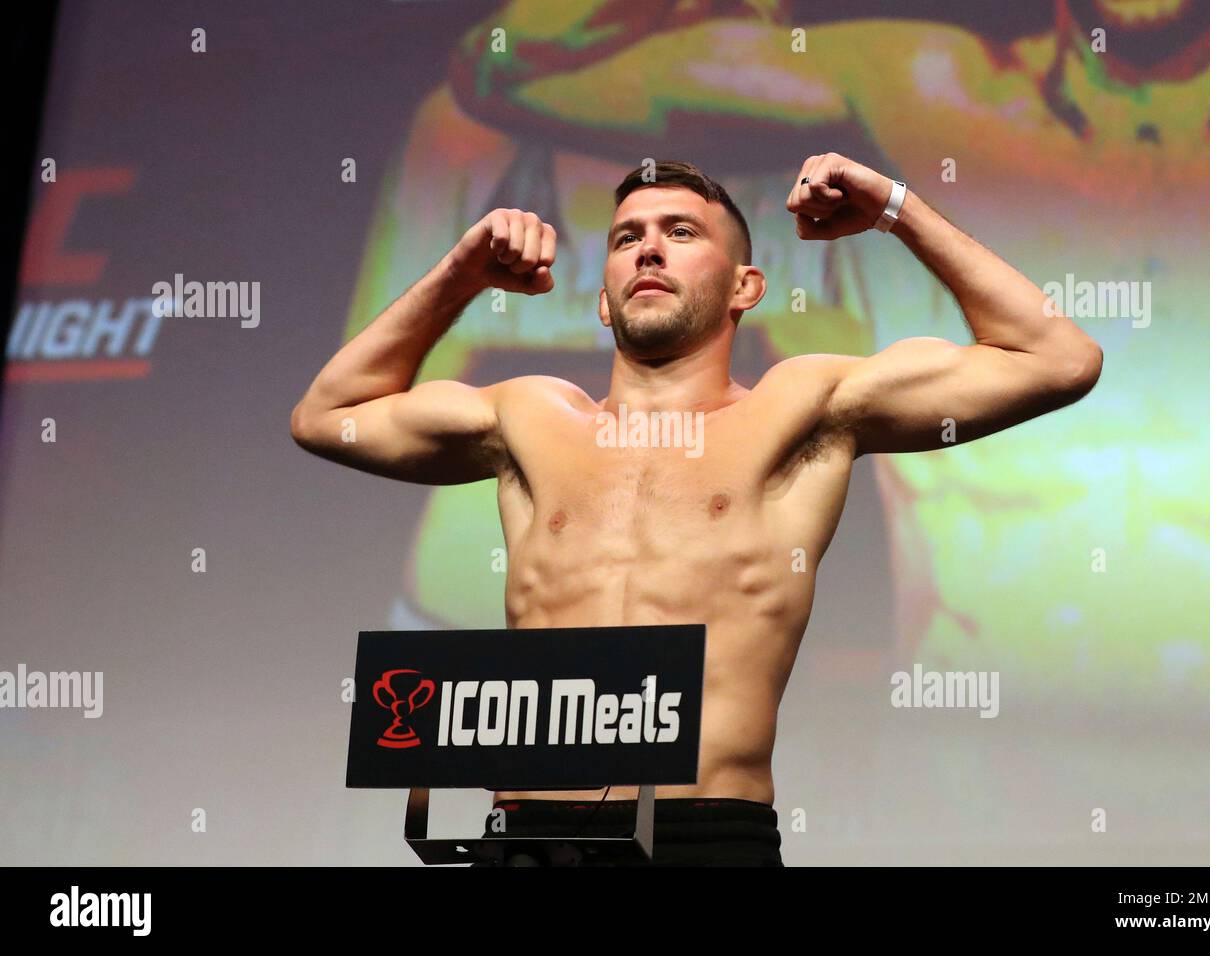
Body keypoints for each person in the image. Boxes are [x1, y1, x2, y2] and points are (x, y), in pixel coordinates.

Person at [291, 155, 1102, 865]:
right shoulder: (530, 418)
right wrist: (463, 271)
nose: (647, 246)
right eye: (625, 237)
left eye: (681, 231)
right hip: (524, 835)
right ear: (603, 302)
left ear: (746, 286)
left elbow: (1058, 359)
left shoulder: (801, 408)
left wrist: (894, 208)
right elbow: (327, 416)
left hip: (704, 834)